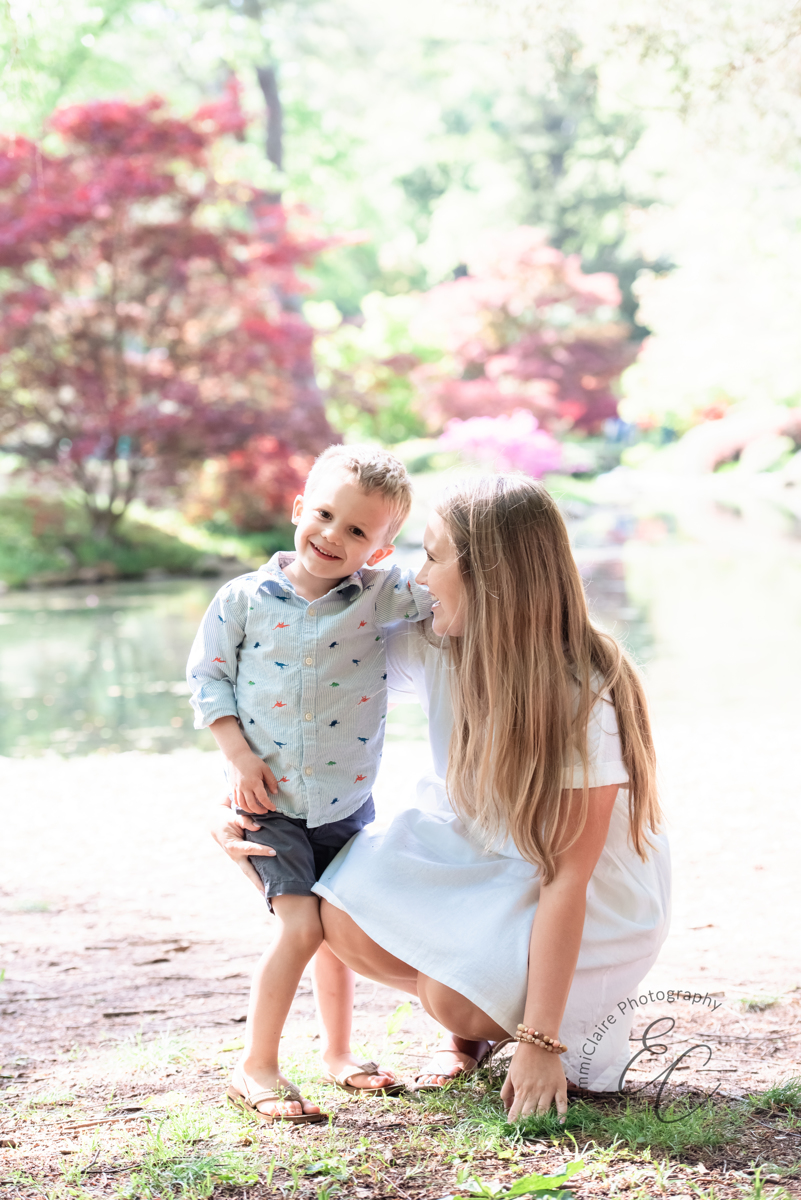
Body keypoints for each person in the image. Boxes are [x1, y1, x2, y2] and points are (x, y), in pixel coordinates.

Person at [312, 474, 671, 1120]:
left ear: (491, 577)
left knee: (454, 999)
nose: (419, 577)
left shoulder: (581, 689)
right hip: (480, 848)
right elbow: (309, 666)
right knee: (338, 916)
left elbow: (567, 877)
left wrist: (540, 1041)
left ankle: (489, 1013)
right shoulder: (435, 638)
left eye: (433, 557)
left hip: (581, 890)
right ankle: (475, 1004)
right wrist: (240, 787)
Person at [187, 445, 433, 1124]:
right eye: (324, 515)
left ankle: (338, 1053)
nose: (332, 536)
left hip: (345, 803)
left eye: (357, 530)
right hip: (267, 802)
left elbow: (448, 588)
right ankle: (255, 1066)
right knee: (301, 926)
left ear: (380, 550)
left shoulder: (381, 595)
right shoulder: (242, 599)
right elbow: (207, 681)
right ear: (299, 509)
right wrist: (238, 757)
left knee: (335, 930)